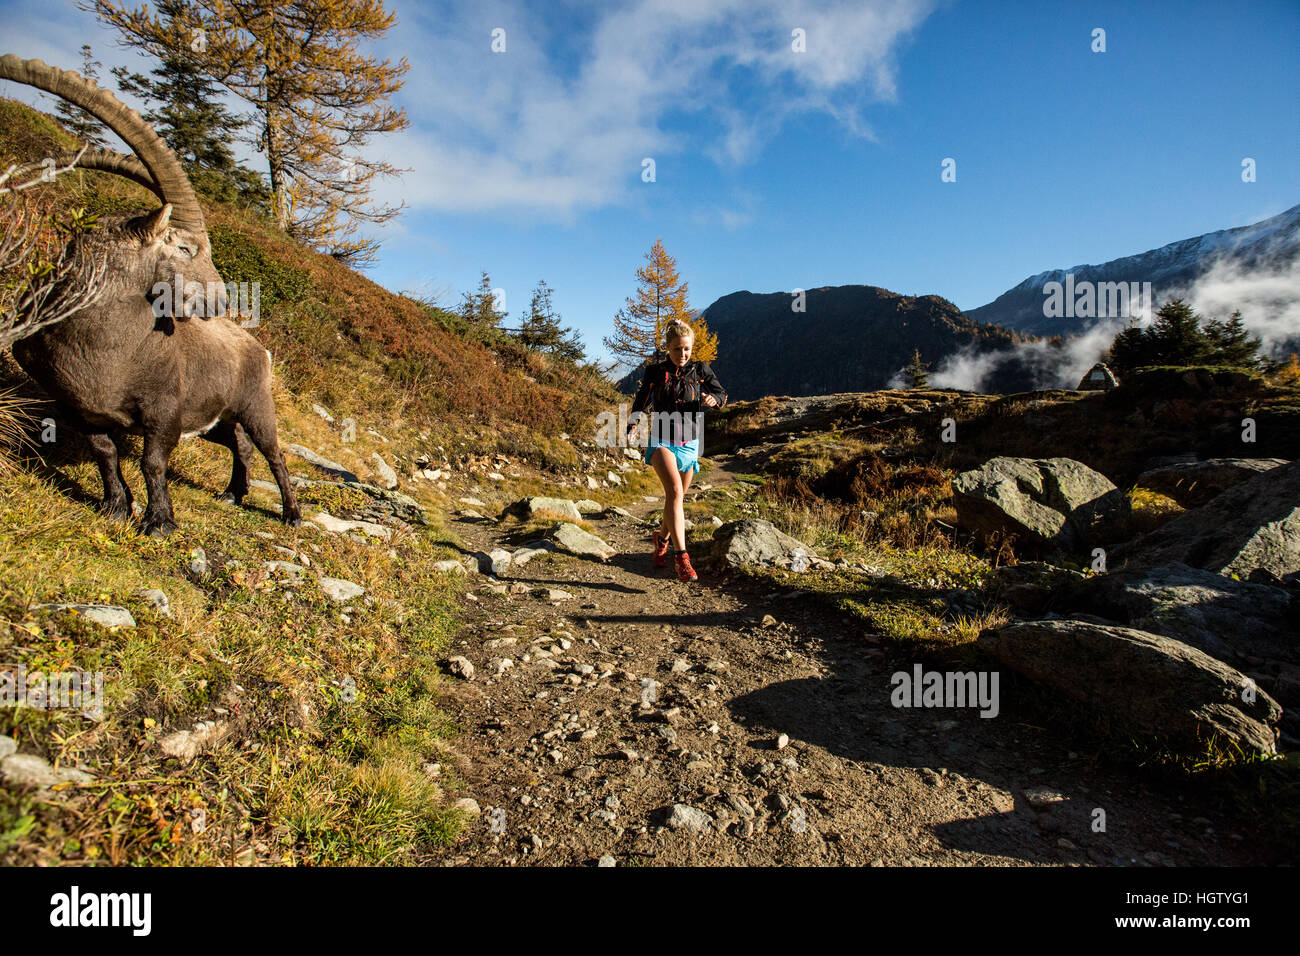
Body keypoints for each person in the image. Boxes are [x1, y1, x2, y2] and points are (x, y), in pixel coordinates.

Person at [626, 320, 727, 582]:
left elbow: (720, 393)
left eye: (687, 349)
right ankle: (682, 558)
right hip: (662, 439)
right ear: (667, 348)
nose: (682, 355)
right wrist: (632, 424)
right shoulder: (656, 372)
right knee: (675, 492)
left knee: (676, 500)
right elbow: (642, 400)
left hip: (690, 441)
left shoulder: (700, 369)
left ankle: (662, 538)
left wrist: (712, 400)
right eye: (676, 349)